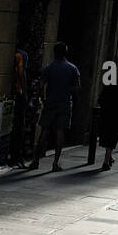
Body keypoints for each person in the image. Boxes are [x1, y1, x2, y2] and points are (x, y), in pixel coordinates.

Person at [29, 41, 81, 172]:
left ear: (54, 53)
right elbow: (76, 89)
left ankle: (35, 161)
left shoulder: (48, 68)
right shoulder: (72, 68)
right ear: (66, 53)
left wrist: (43, 99)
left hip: (50, 103)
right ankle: (55, 163)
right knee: (60, 132)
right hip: (64, 103)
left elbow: (41, 87)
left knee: (44, 131)